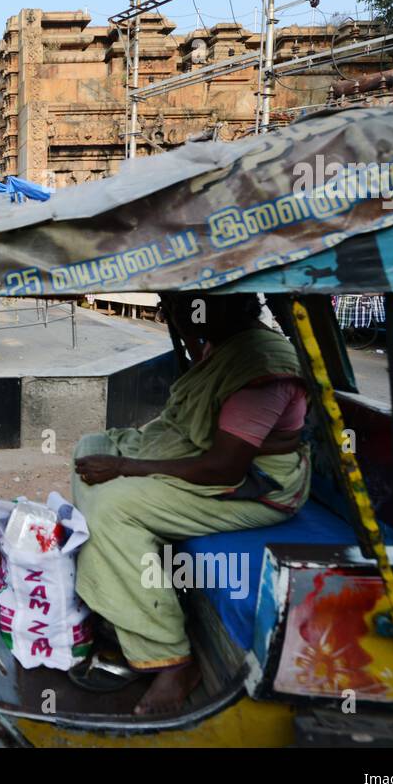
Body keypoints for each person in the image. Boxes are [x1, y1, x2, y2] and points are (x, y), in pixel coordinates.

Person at [71, 293, 310, 715]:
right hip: (209, 457)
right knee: (88, 448)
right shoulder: (222, 341)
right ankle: (119, 598)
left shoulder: (260, 365)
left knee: (112, 508)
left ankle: (172, 658)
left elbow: (224, 467)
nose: (180, 315)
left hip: (255, 487)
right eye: (175, 306)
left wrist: (126, 467)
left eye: (189, 305)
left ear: (233, 303)